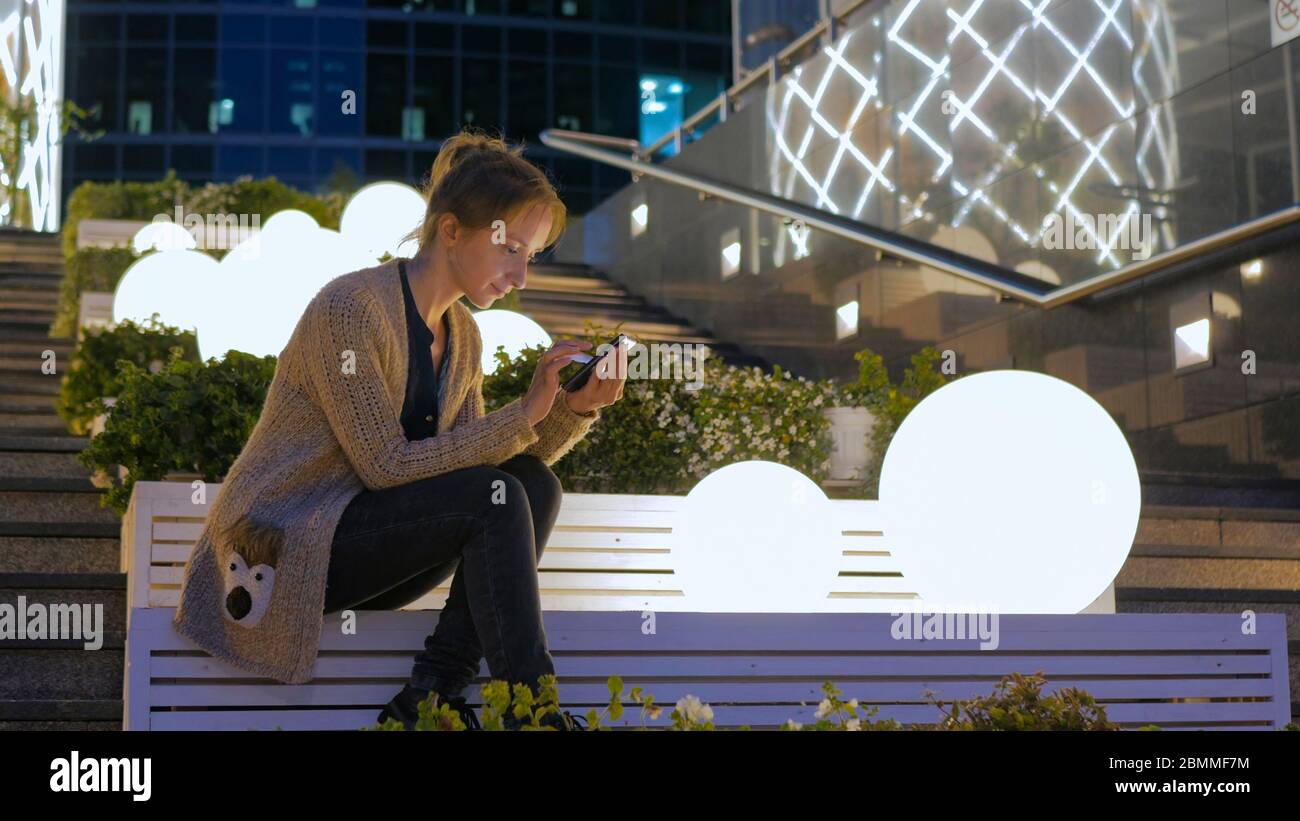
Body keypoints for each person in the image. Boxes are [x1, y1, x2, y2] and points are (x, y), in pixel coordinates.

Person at [170, 129, 626, 732]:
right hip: (284, 548)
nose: (520, 276)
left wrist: (571, 409)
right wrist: (523, 413)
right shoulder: (350, 310)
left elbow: (474, 464)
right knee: (494, 497)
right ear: (452, 230)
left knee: (530, 483)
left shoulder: (463, 337)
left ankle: (431, 696)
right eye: (509, 248)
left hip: (367, 547)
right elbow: (384, 465)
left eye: (530, 256)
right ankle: (532, 712)